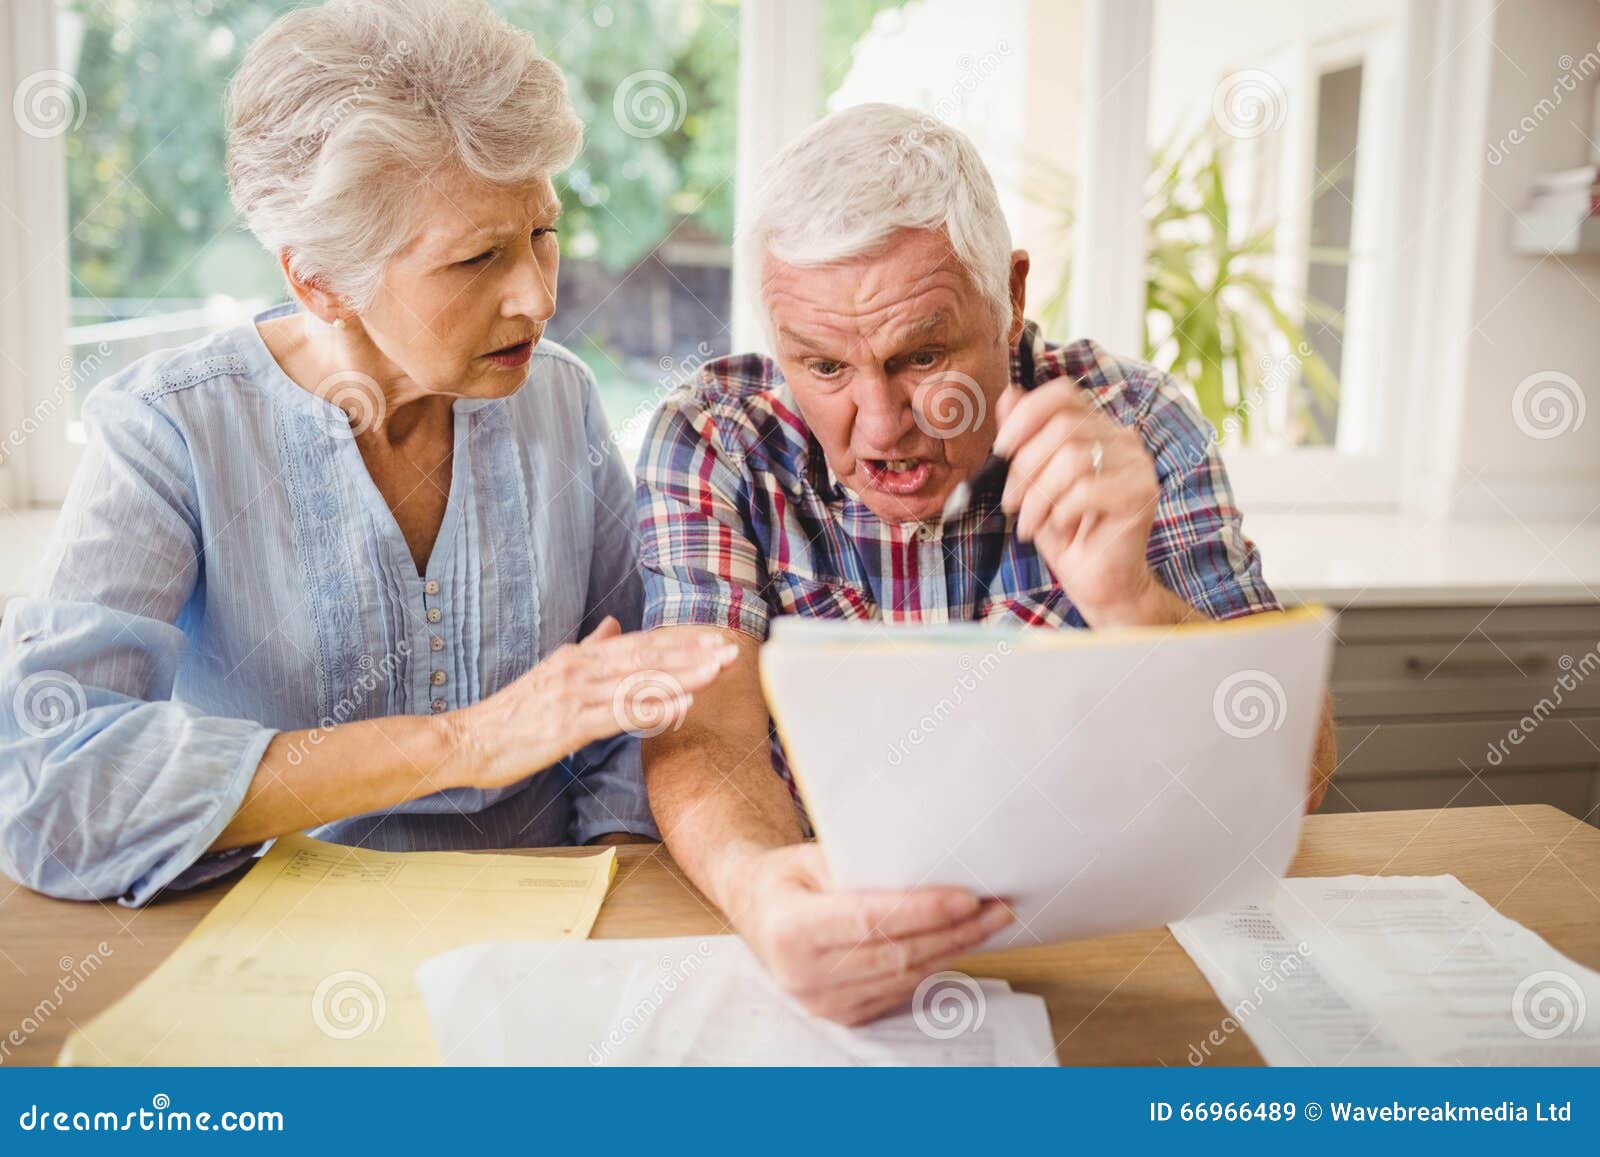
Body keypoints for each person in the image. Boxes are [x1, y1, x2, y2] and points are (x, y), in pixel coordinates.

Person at [0, 0, 735, 906]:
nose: (538, 298)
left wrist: (612, 884)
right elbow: (51, 787)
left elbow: (635, 704)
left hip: (551, 926)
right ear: (320, 279)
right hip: (277, 941)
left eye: (542, 234)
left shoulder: (560, 398)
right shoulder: (171, 432)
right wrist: (463, 742)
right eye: (478, 259)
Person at [635, 104, 1337, 1024]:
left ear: (1008, 297)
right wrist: (761, 887)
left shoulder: (1131, 421)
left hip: (1107, 956)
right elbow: (706, 737)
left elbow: (1296, 766)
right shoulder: (717, 439)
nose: (881, 428)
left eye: (921, 355)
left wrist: (1130, 599)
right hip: (834, 965)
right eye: (825, 368)